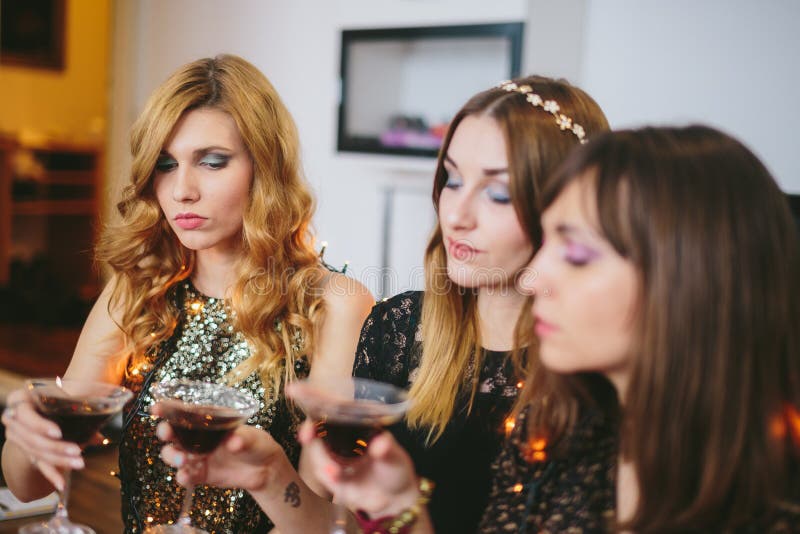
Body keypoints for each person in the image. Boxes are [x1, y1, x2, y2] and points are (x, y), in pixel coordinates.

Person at [156, 75, 611, 533]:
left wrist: (404, 508)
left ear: (568, 208)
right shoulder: (399, 329)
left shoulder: (604, 379)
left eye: (497, 193)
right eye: (452, 180)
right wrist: (271, 476)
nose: (455, 214)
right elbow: (346, 529)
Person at [301, 125, 800, 532]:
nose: (535, 279)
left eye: (577, 254)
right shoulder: (554, 437)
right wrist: (401, 508)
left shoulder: (767, 509)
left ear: (693, 282)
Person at [0, 54, 374, 533]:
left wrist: (269, 473)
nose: (181, 190)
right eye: (165, 164)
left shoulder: (333, 304)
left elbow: (325, 524)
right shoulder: (138, 291)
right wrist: (28, 436)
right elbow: (30, 487)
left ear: (265, 167)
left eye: (212, 162)